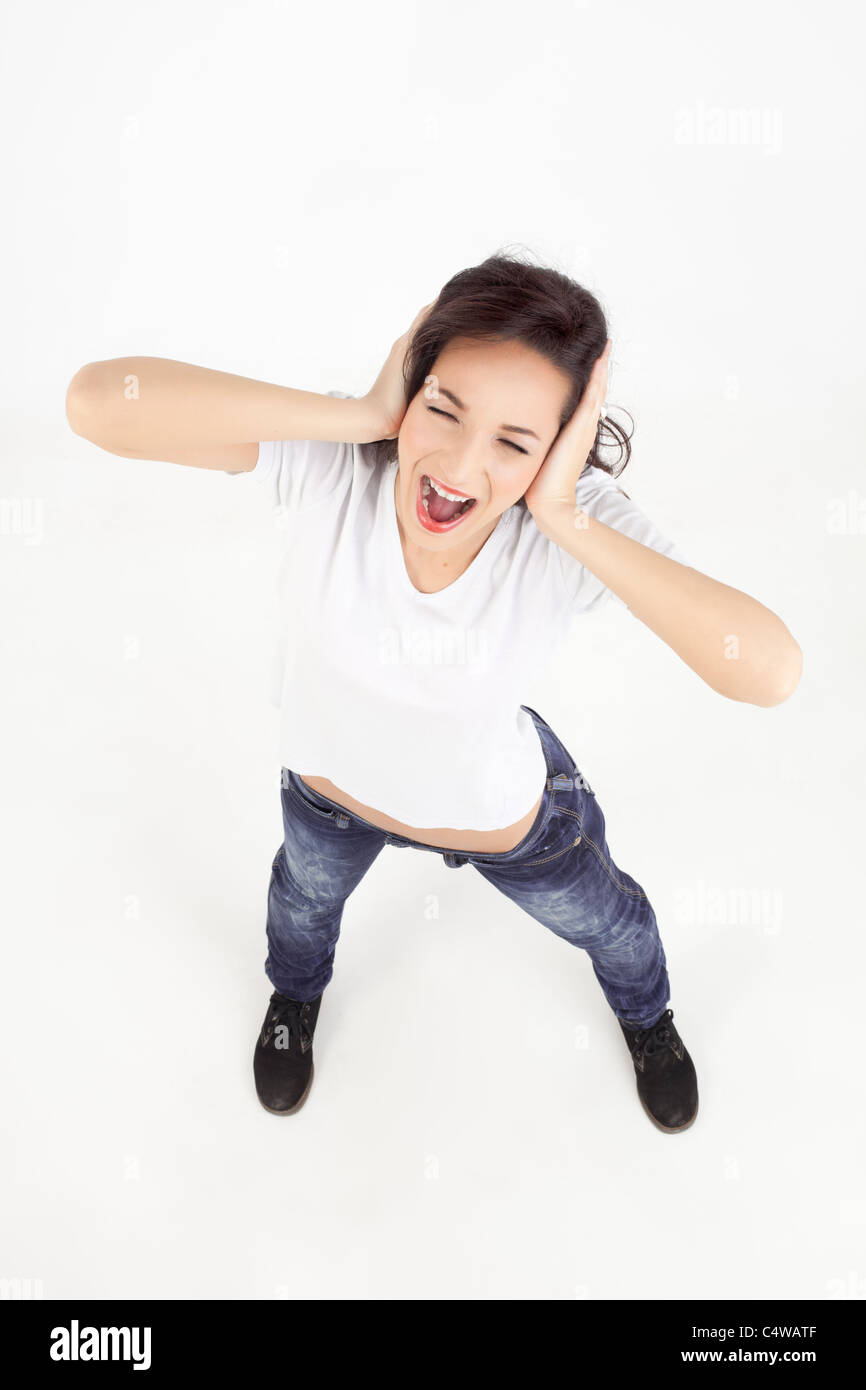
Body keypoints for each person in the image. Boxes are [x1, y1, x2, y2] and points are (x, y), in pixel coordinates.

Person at [65, 252, 803, 1134]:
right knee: (299, 917)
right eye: (442, 410)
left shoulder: (566, 523)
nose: (457, 463)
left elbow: (768, 670)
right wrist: (361, 414)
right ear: (411, 388)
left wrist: (562, 510)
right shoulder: (341, 464)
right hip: (330, 801)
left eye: (516, 443)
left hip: (506, 825)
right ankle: (294, 1003)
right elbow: (99, 404)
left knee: (614, 925)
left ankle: (650, 1021)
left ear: (560, 451)